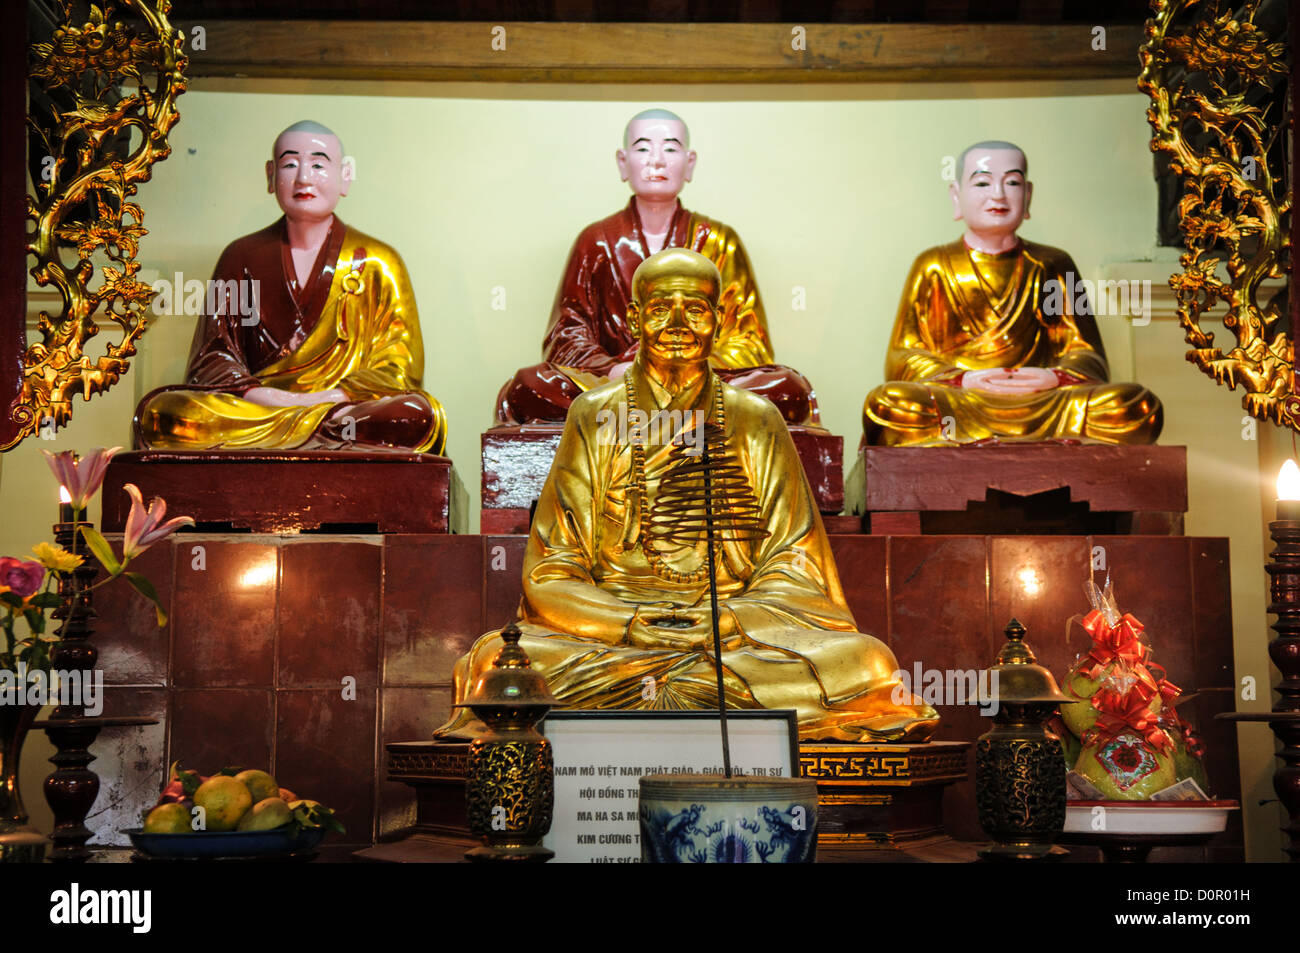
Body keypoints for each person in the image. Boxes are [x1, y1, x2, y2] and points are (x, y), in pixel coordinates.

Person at [442, 248, 938, 743]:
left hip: (733, 635)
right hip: (616, 634)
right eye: (660, 309)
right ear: (635, 319)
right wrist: (630, 623)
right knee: (496, 666)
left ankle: (659, 694)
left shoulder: (756, 419)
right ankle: (701, 694)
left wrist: (727, 620)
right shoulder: (593, 415)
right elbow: (552, 571)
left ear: (719, 321)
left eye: (695, 309)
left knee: (867, 661)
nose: (678, 323)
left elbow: (794, 563)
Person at [134, 121, 447, 453]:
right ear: (271, 175)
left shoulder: (378, 261)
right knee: (166, 415)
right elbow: (213, 359)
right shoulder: (241, 256)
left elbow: (398, 368)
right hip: (259, 409)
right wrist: (274, 399)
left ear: (346, 175)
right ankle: (315, 436)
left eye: (317, 163)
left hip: (343, 410)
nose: (304, 178)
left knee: (416, 415)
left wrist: (328, 399)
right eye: (290, 164)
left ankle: (311, 431)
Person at [496, 108, 820, 428]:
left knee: (788, 391)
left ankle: (664, 407)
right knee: (530, 384)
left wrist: (688, 367)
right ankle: (668, 411)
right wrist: (614, 370)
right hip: (619, 385)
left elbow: (749, 342)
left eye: (670, 148)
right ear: (623, 162)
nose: (657, 160)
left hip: (702, 384)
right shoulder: (595, 241)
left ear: (689, 163)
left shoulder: (721, 241)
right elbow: (566, 335)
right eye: (642, 148)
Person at [863, 140, 1162, 446]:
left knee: (1135, 405)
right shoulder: (933, 264)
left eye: (1012, 183)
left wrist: (1053, 377)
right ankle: (958, 432)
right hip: (961, 399)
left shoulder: (1054, 263)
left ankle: (971, 438)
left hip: (1043, 401)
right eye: (982, 182)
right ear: (956, 195)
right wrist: (963, 378)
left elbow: (1088, 354)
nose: (998, 195)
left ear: (1028, 195)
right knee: (889, 404)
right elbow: (903, 357)